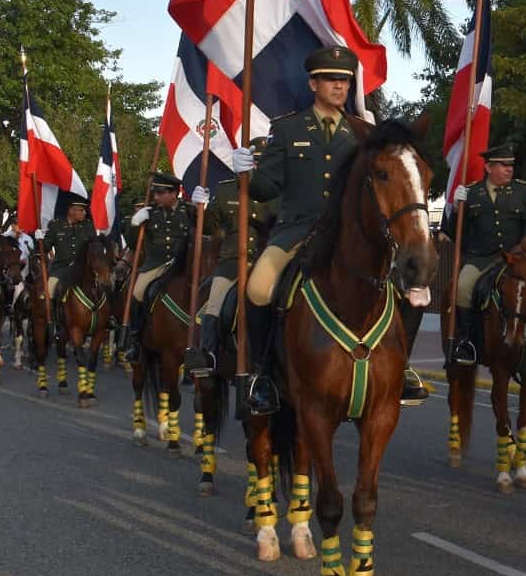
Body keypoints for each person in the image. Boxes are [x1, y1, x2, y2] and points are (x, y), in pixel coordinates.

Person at [228, 44, 431, 414]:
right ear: (313, 83)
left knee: (415, 290)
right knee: (258, 287)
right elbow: (266, 189)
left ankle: (402, 369)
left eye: (345, 81)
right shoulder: (288, 129)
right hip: (295, 232)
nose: (340, 87)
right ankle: (264, 376)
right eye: (331, 80)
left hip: (347, 236)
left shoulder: (363, 134)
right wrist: (246, 171)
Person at [439, 144, 526, 368]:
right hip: (481, 259)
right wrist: (456, 210)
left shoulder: (523, 192)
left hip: (519, 261)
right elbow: (451, 232)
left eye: (511, 165)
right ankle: (466, 343)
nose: (509, 169)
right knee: (462, 289)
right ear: (489, 167)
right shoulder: (472, 193)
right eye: (503, 165)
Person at [183, 175, 269, 377]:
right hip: (231, 262)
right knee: (213, 304)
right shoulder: (226, 189)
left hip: (264, 261)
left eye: (259, 163)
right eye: (252, 162)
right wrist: (200, 210)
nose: (255, 167)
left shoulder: (276, 187)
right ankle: (207, 354)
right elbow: (209, 228)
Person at [121, 173, 193, 361]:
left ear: (174, 193)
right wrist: (134, 224)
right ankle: (135, 339)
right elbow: (133, 243)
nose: (156, 197)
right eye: (155, 193)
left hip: (183, 264)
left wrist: (204, 210)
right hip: (156, 264)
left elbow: (208, 229)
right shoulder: (150, 213)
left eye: (161, 193)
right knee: (137, 291)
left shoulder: (189, 211)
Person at [40, 197, 97, 303]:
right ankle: (53, 318)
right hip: (61, 269)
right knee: (49, 291)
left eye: (84, 210)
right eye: (81, 210)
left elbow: (95, 247)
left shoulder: (88, 226)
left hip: (83, 270)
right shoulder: (56, 225)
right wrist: (39, 239)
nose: (84, 213)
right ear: (71, 211)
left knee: (103, 288)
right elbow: (45, 248)